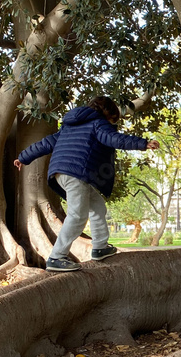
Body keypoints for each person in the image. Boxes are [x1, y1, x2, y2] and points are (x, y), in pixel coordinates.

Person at [14, 95, 159, 272]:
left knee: (97, 206)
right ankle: (56, 257)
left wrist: (23, 157)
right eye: (114, 120)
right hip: (76, 173)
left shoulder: (69, 126)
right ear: (109, 114)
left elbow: (46, 143)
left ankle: (100, 247)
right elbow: (115, 139)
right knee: (77, 215)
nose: (114, 124)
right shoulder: (99, 123)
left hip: (61, 173)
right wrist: (143, 144)